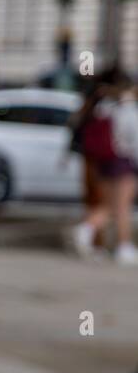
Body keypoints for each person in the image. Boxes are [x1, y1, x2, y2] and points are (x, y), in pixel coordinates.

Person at [71, 69, 137, 265]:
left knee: (109, 205)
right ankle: (122, 246)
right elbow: (133, 137)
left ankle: (87, 230)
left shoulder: (103, 105)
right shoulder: (127, 107)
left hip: (105, 160)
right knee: (122, 207)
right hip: (123, 160)